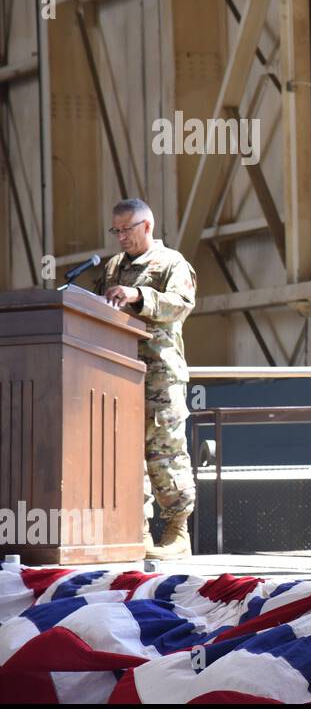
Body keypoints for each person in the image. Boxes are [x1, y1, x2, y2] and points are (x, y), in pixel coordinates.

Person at [94, 198, 197, 559]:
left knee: (165, 453)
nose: (121, 237)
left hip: (159, 376)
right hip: (119, 372)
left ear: (148, 226)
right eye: (116, 230)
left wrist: (138, 295)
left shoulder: (172, 263)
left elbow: (180, 304)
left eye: (127, 229)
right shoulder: (111, 268)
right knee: (126, 456)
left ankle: (177, 531)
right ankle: (135, 531)